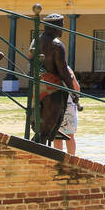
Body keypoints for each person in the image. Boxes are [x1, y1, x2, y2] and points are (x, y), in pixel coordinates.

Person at [33, 14, 77, 145]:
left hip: (38, 86)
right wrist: (73, 91)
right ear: (54, 27)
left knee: (40, 125)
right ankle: (41, 146)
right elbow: (63, 70)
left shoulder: (36, 40)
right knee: (49, 128)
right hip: (53, 88)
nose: (62, 29)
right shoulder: (57, 45)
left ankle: (40, 142)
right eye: (61, 26)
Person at [54, 90, 79, 158]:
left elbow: (77, 89)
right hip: (55, 104)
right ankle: (59, 159)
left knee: (68, 135)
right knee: (57, 136)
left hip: (67, 105)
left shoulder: (70, 79)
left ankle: (70, 159)